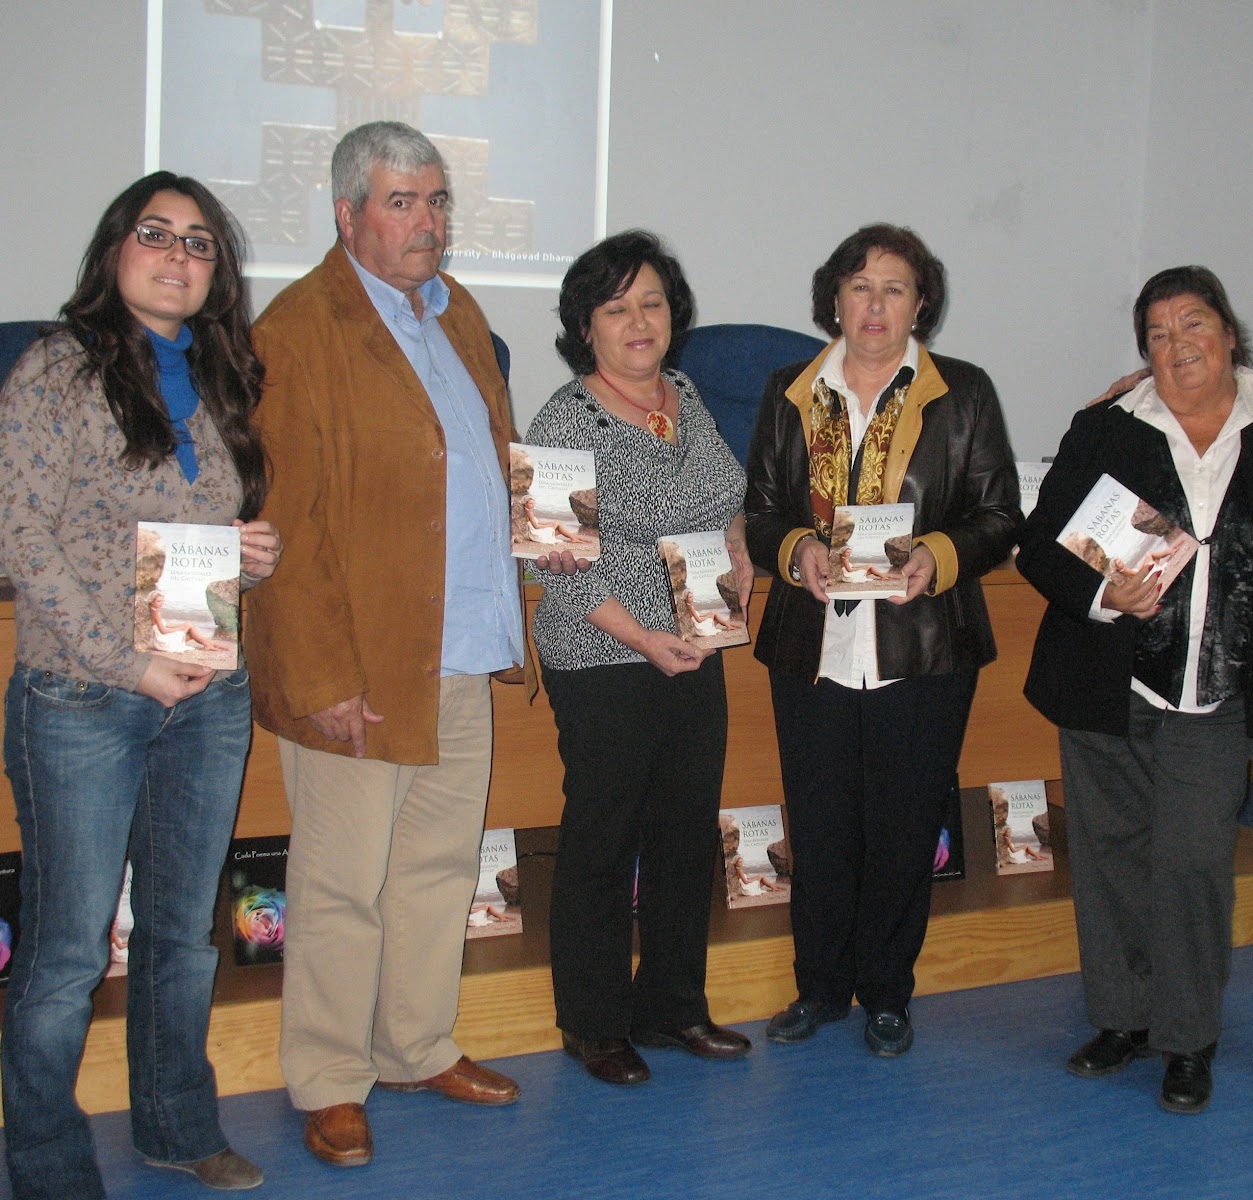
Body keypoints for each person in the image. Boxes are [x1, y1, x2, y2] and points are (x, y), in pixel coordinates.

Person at [0, 171, 281, 1198]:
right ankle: (49, 1165)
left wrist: (252, 552)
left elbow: (199, 534)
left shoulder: (218, 376)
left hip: (206, 693)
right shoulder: (54, 370)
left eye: (200, 243)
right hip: (83, 699)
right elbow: (22, 540)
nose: (178, 255)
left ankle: (175, 1126)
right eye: (156, 234)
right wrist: (131, 664)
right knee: (68, 953)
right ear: (115, 250)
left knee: (180, 936)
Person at [244, 121, 529, 1167]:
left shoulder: (457, 317)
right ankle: (327, 1077)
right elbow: (288, 522)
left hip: (457, 649)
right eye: (403, 203)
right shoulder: (298, 328)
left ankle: (412, 1044)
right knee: (340, 882)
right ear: (346, 214)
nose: (428, 222)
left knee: (435, 870)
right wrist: (319, 676)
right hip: (359, 667)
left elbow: (486, 473)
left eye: (438, 200)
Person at [1018, 266, 1253, 1114]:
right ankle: (1120, 1019)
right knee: (1109, 858)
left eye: (1194, 324)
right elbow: (1041, 546)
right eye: (1158, 334)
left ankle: (1187, 1038)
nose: (1178, 346)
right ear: (1143, 351)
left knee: (1191, 863)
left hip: (1216, 692)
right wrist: (1107, 593)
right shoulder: (1108, 427)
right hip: (1109, 678)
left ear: (1229, 330)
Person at [745, 223, 1023, 1057]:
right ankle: (820, 988)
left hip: (924, 647)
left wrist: (936, 557)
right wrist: (794, 550)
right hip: (814, 651)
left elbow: (999, 517)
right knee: (823, 826)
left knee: (903, 830)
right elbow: (762, 515)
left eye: (894, 288)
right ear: (833, 297)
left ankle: (888, 994)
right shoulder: (790, 389)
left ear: (921, 303)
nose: (875, 304)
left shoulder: (962, 393)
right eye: (859, 286)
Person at [527, 229, 753, 1086]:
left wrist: (739, 556)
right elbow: (552, 564)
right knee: (601, 838)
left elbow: (724, 499)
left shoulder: (685, 394)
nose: (638, 321)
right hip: (606, 654)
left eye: (652, 302)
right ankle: (593, 1023)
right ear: (585, 325)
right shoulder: (559, 418)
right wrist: (641, 636)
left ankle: (672, 1007)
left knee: (685, 837)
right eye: (616, 307)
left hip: (696, 644)